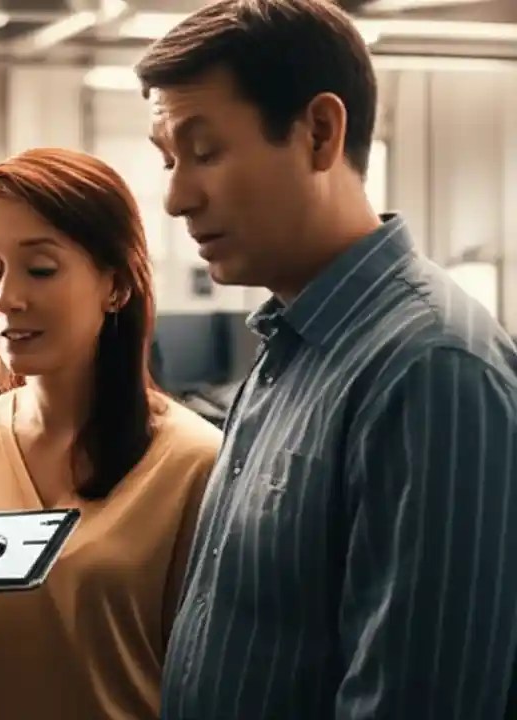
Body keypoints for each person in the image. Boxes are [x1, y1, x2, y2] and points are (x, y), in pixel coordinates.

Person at [134, 1, 517, 718]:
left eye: (206, 150)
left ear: (318, 132)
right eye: (169, 159)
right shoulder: (293, 345)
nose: (177, 196)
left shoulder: (431, 371)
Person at [0, 147, 224, 719]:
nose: (7, 297)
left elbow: (206, 686)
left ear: (116, 286)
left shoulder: (193, 461)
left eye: (40, 268)